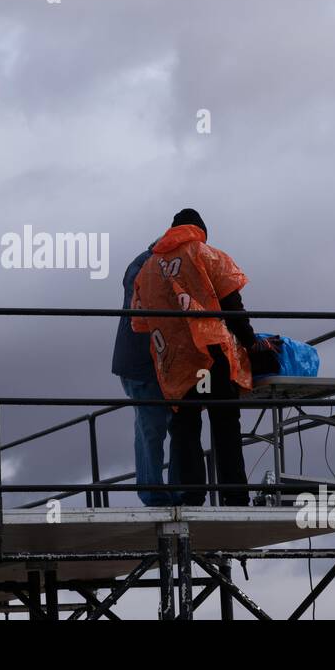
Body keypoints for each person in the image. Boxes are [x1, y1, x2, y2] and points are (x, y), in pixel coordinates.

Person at [131, 209, 272, 506]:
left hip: (175, 364)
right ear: (200, 230)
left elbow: (140, 322)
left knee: (185, 431)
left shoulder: (148, 269)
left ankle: (192, 495)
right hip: (212, 356)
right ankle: (234, 496)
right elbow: (232, 305)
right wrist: (251, 343)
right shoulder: (207, 254)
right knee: (225, 426)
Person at [112, 243, 179, 506]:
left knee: (160, 427)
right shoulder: (146, 267)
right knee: (151, 427)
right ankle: (154, 494)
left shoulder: (144, 264)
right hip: (144, 364)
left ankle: (168, 491)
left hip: (156, 363)